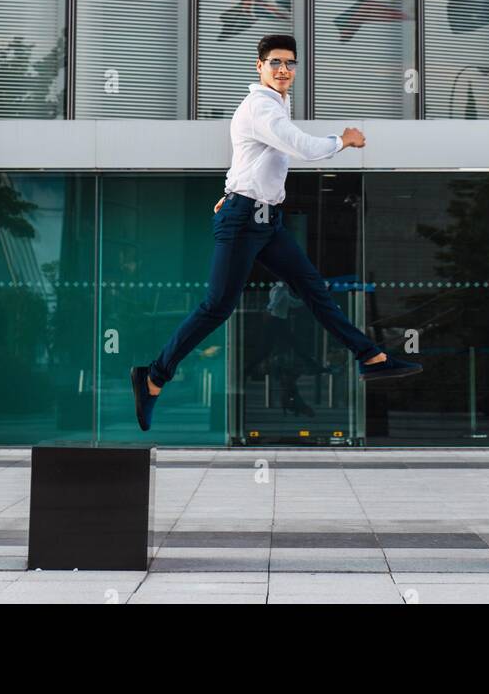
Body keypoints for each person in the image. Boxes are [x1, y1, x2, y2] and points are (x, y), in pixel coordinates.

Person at [131, 33, 422, 430]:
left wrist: (231, 189)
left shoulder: (277, 103)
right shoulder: (261, 107)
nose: (284, 70)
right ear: (259, 67)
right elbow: (301, 147)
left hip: (267, 221)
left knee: (313, 289)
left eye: (289, 63)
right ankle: (152, 378)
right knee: (216, 307)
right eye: (275, 63)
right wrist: (344, 140)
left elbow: (249, 157)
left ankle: (371, 357)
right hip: (245, 221)